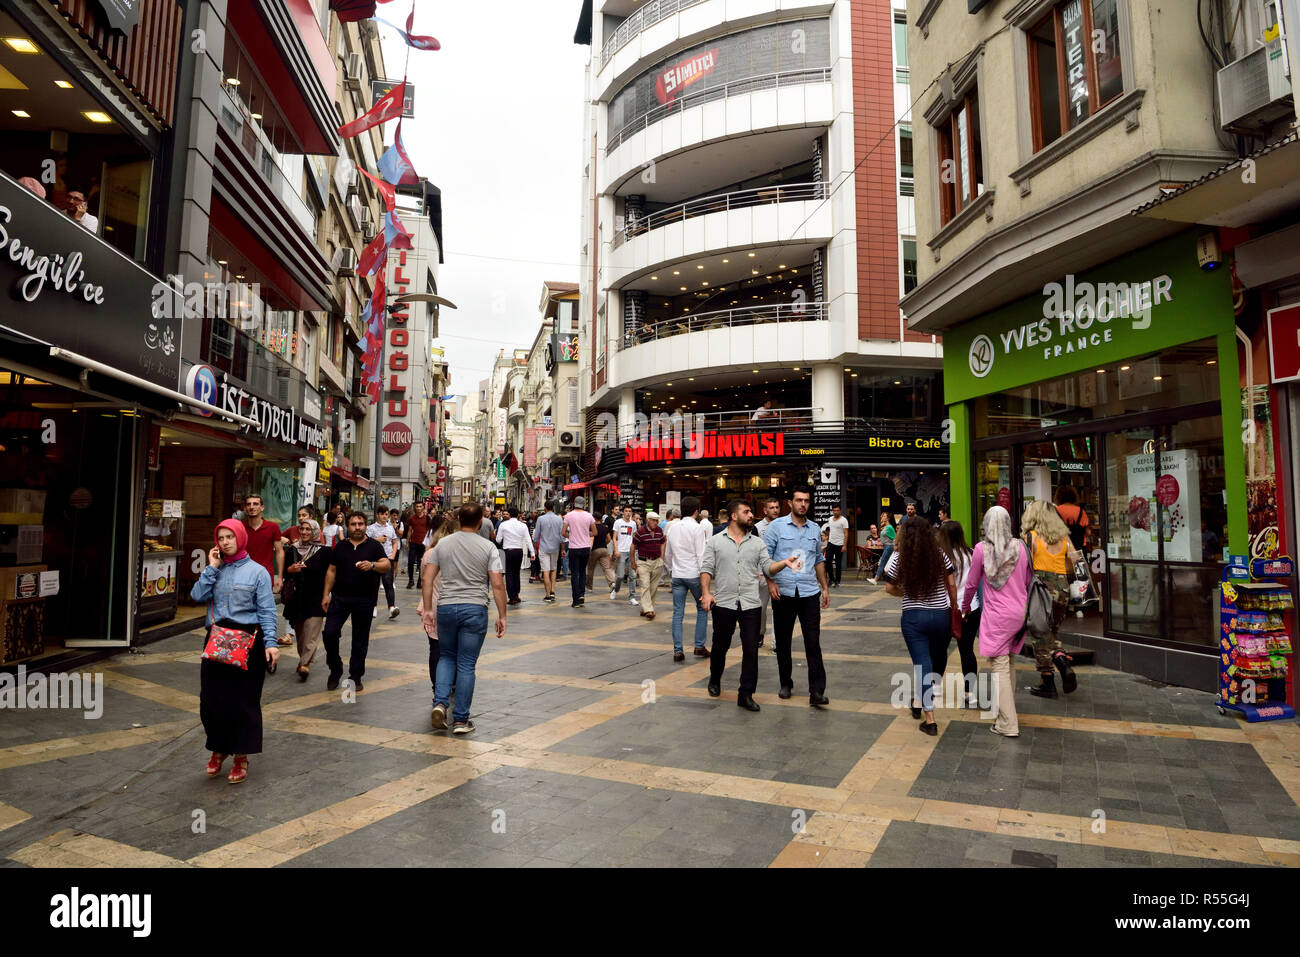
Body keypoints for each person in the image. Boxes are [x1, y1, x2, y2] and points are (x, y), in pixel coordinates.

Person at [190, 519, 279, 784]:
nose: (225, 542)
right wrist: (211, 568)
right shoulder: (215, 569)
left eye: (230, 537)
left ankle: (241, 755)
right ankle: (219, 748)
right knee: (211, 700)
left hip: (249, 641)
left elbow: (267, 611)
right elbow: (197, 596)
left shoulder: (258, 572)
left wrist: (272, 643)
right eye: (221, 538)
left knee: (243, 702)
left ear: (240, 537)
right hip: (217, 639)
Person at [701, 499, 802, 712]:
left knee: (751, 650)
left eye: (751, 512)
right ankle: (715, 679)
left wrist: (784, 563)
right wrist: (707, 593)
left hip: (750, 604)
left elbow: (767, 567)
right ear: (734, 516)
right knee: (720, 646)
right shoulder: (715, 542)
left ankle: (745, 693)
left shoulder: (757, 543)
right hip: (724, 602)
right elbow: (707, 569)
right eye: (746, 512)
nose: (751, 515)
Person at [421, 504, 507, 735]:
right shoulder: (488, 547)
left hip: (446, 607)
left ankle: (440, 703)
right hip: (474, 608)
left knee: (446, 657)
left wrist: (428, 608)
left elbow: (427, 579)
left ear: (459, 519)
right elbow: (497, 584)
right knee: (466, 664)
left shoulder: (443, 545)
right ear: (480, 521)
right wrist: (502, 615)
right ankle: (460, 720)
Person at [881, 516, 958, 735]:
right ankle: (919, 700)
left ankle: (930, 719)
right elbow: (951, 585)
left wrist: (907, 593)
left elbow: (889, 587)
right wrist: (953, 606)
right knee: (934, 661)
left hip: (914, 617)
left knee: (922, 665)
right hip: (941, 615)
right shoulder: (940, 555)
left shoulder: (899, 557)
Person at [961, 506, 1033, 738]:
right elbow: (1028, 580)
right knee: (1009, 662)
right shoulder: (1021, 547)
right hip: (1020, 614)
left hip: (997, 616)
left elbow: (971, 584)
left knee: (999, 666)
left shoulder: (981, 549)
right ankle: (1005, 715)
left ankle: (1008, 724)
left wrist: (964, 607)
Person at [762, 487, 830, 707]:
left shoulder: (814, 528)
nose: (803, 504)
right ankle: (785, 683)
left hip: (809, 592)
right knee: (783, 641)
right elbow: (765, 558)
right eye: (799, 500)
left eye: (807, 501)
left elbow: (818, 559)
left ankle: (817, 691)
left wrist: (825, 587)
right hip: (784, 591)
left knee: (813, 642)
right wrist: (770, 582)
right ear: (789, 502)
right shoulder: (776, 527)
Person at [319, 511, 391, 692]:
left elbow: (386, 565)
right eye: (353, 524)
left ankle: (356, 676)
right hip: (340, 598)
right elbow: (332, 571)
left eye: (360, 524)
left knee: (360, 640)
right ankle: (335, 668)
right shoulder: (341, 546)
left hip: (364, 600)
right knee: (329, 633)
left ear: (365, 526)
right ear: (348, 526)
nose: (357, 527)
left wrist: (372, 565)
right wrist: (326, 594)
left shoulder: (374, 546)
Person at [1022, 500, 1078, 698]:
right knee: (1051, 632)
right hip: (1062, 588)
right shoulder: (1063, 538)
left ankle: (1048, 681)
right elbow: (1076, 560)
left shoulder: (1031, 537)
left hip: (1041, 588)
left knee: (1039, 634)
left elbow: (1024, 564)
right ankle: (1061, 660)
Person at [417, 514, 458, 708]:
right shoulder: (460, 553)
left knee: (436, 649)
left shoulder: (429, 554)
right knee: (456, 649)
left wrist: (425, 608)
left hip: (433, 605)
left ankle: (437, 688)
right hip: (457, 605)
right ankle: (453, 683)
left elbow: (425, 580)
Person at [283, 517, 331, 682]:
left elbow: (329, 575)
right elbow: (284, 572)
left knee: (311, 632)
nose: (304, 532)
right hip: (296, 598)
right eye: (302, 529)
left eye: (308, 529)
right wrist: (291, 569)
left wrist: (327, 595)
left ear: (315, 531)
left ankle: (305, 664)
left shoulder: (324, 552)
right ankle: (304, 659)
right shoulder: (292, 550)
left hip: (316, 597)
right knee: (301, 634)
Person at [938, 520, 980, 708]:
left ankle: (935, 686)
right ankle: (969, 694)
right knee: (967, 651)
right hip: (971, 608)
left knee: (940, 649)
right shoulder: (971, 554)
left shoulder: (940, 557)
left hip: (946, 608)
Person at [665, 495, 711, 662]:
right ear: (696, 511)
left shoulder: (672, 528)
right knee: (702, 608)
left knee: (678, 613)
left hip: (677, 575)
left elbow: (668, 555)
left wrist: (672, 568)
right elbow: (701, 555)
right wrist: (705, 578)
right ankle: (699, 646)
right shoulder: (697, 528)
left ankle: (678, 650)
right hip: (693, 574)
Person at [753, 497, 781, 652]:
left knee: (779, 609)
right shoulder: (757, 528)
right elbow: (754, 552)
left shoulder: (784, 526)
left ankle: (777, 642)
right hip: (762, 575)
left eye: (777, 507)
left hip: (780, 575)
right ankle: (760, 633)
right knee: (761, 608)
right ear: (765, 510)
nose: (775, 510)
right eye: (771, 507)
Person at [365, 506, 401, 620]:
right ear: (377, 515)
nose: (385, 516)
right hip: (375, 560)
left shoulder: (390, 528)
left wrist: (393, 555)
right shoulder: (370, 528)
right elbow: (365, 542)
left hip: (388, 559)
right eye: (382, 514)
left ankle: (391, 607)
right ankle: (373, 607)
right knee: (373, 584)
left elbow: (394, 542)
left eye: (386, 514)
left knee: (388, 583)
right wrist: (377, 540)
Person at [561, 495, 598, 607]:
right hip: (585, 548)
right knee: (582, 572)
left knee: (575, 573)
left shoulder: (569, 515)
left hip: (574, 548)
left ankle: (575, 600)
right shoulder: (589, 516)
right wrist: (586, 534)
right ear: (584, 505)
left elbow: (563, 532)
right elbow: (595, 532)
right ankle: (582, 594)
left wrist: (571, 535)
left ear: (574, 504)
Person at [495, 506, 535, 605]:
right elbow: (528, 540)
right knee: (517, 573)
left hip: (507, 551)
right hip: (518, 551)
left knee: (509, 573)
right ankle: (516, 594)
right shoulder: (523, 525)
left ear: (509, 514)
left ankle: (511, 596)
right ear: (518, 515)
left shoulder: (503, 525)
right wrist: (532, 553)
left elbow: (498, 540)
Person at [631, 511, 666, 621]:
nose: (656, 522)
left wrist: (662, 557)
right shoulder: (640, 532)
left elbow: (664, 541)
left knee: (654, 587)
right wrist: (633, 562)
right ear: (648, 520)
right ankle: (649, 610)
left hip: (657, 561)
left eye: (657, 520)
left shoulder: (659, 531)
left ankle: (645, 608)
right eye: (654, 520)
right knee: (645, 585)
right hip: (643, 562)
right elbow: (633, 547)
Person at [533, 500, 564, 603]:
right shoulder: (559, 519)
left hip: (543, 547)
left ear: (545, 508)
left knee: (545, 571)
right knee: (554, 569)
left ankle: (547, 595)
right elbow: (562, 536)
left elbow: (536, 536)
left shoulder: (540, 519)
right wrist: (563, 549)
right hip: (555, 547)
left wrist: (534, 548)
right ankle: (553, 591)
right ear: (553, 507)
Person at [611, 505, 639, 605]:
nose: (628, 513)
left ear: (631, 513)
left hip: (630, 551)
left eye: (629, 511)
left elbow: (634, 537)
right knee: (620, 575)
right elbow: (614, 538)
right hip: (621, 551)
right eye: (626, 511)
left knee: (632, 575)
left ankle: (632, 597)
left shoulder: (633, 524)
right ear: (623, 512)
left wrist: (635, 550)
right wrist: (616, 550)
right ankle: (616, 589)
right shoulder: (618, 522)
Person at [1054, 486, 1090, 551]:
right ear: (1074, 496)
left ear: (1058, 497)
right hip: (1079, 548)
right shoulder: (1081, 511)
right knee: (1079, 561)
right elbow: (1088, 532)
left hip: (1061, 549)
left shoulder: (1055, 511)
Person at [588, 515, 617, 595]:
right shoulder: (605, 527)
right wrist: (605, 544)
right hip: (604, 550)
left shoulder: (591, 527)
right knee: (607, 568)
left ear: (594, 518)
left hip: (595, 550)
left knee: (590, 568)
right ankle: (612, 583)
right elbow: (609, 539)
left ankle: (589, 587)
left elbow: (590, 538)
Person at [405, 501, 430, 589]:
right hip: (413, 543)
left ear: (423, 507)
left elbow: (429, 531)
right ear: (415, 508)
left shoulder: (427, 518)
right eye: (417, 506)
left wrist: (429, 544)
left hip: (423, 544)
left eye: (420, 506)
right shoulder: (412, 518)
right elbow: (409, 531)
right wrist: (407, 542)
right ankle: (411, 580)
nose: (419, 508)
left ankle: (420, 581)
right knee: (410, 562)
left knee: (421, 563)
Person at [869, 511, 896, 585]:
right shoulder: (886, 527)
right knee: (887, 564)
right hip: (886, 546)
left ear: (888, 518)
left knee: (882, 563)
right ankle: (892, 580)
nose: (882, 517)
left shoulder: (890, 527)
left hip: (889, 547)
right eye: (882, 516)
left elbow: (895, 538)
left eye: (884, 516)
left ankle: (875, 579)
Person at [825, 505, 849, 587]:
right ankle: (831, 579)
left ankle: (837, 581)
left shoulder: (844, 520)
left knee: (838, 564)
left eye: (837, 510)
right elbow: (831, 531)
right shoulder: (830, 519)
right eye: (834, 510)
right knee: (827, 561)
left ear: (840, 511)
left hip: (840, 544)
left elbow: (846, 533)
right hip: (831, 543)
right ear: (832, 511)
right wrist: (828, 540)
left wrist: (844, 545)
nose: (836, 512)